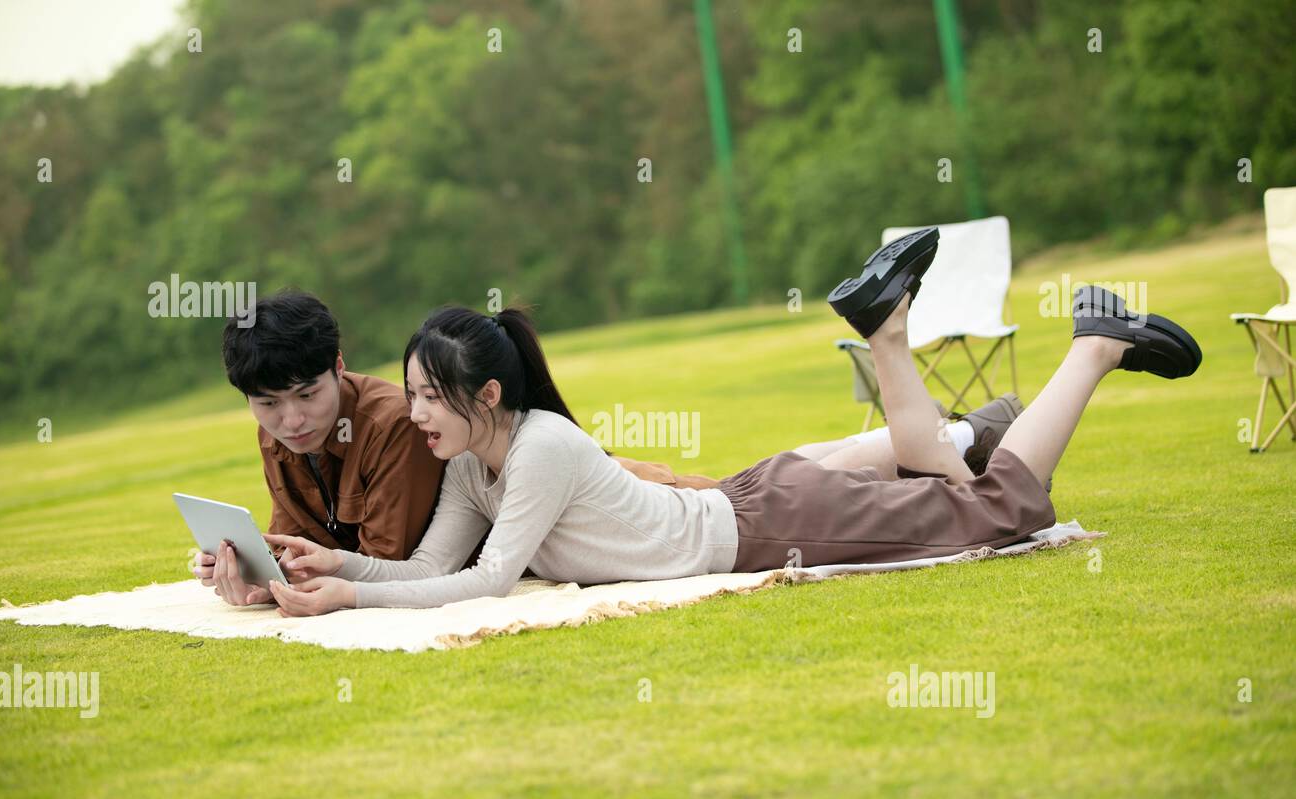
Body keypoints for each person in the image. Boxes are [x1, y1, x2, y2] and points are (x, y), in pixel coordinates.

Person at [261, 230, 1201, 617]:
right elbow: (432, 571)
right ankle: (984, 418)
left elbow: (491, 582)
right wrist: (336, 565)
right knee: (946, 474)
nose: (412, 409)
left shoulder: (540, 447)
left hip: (770, 527)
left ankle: (1089, 346)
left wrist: (347, 600)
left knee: (1004, 513)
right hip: (753, 501)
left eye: (429, 395)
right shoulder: (475, 468)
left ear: (487, 398)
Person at [194, 289, 1018, 606]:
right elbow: (388, 559)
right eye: (269, 406)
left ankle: (1004, 401)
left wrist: (340, 587)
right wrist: (298, 567)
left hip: (705, 516)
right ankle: (972, 431)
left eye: (305, 396)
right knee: (801, 470)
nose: (291, 420)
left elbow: (465, 576)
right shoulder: (460, 454)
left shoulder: (433, 437)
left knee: (979, 511)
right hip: (696, 510)